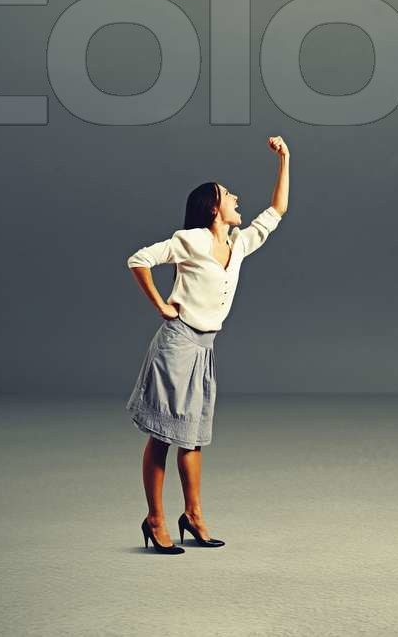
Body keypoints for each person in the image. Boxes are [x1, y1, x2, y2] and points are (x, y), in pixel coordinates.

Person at [123, 135, 291, 553]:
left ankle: (193, 516)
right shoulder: (192, 240)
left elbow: (277, 211)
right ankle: (156, 519)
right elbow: (139, 259)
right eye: (229, 195)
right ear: (214, 208)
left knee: (192, 437)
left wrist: (284, 159)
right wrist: (162, 304)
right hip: (178, 345)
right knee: (163, 435)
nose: (237, 198)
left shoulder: (237, 245)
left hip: (205, 349)